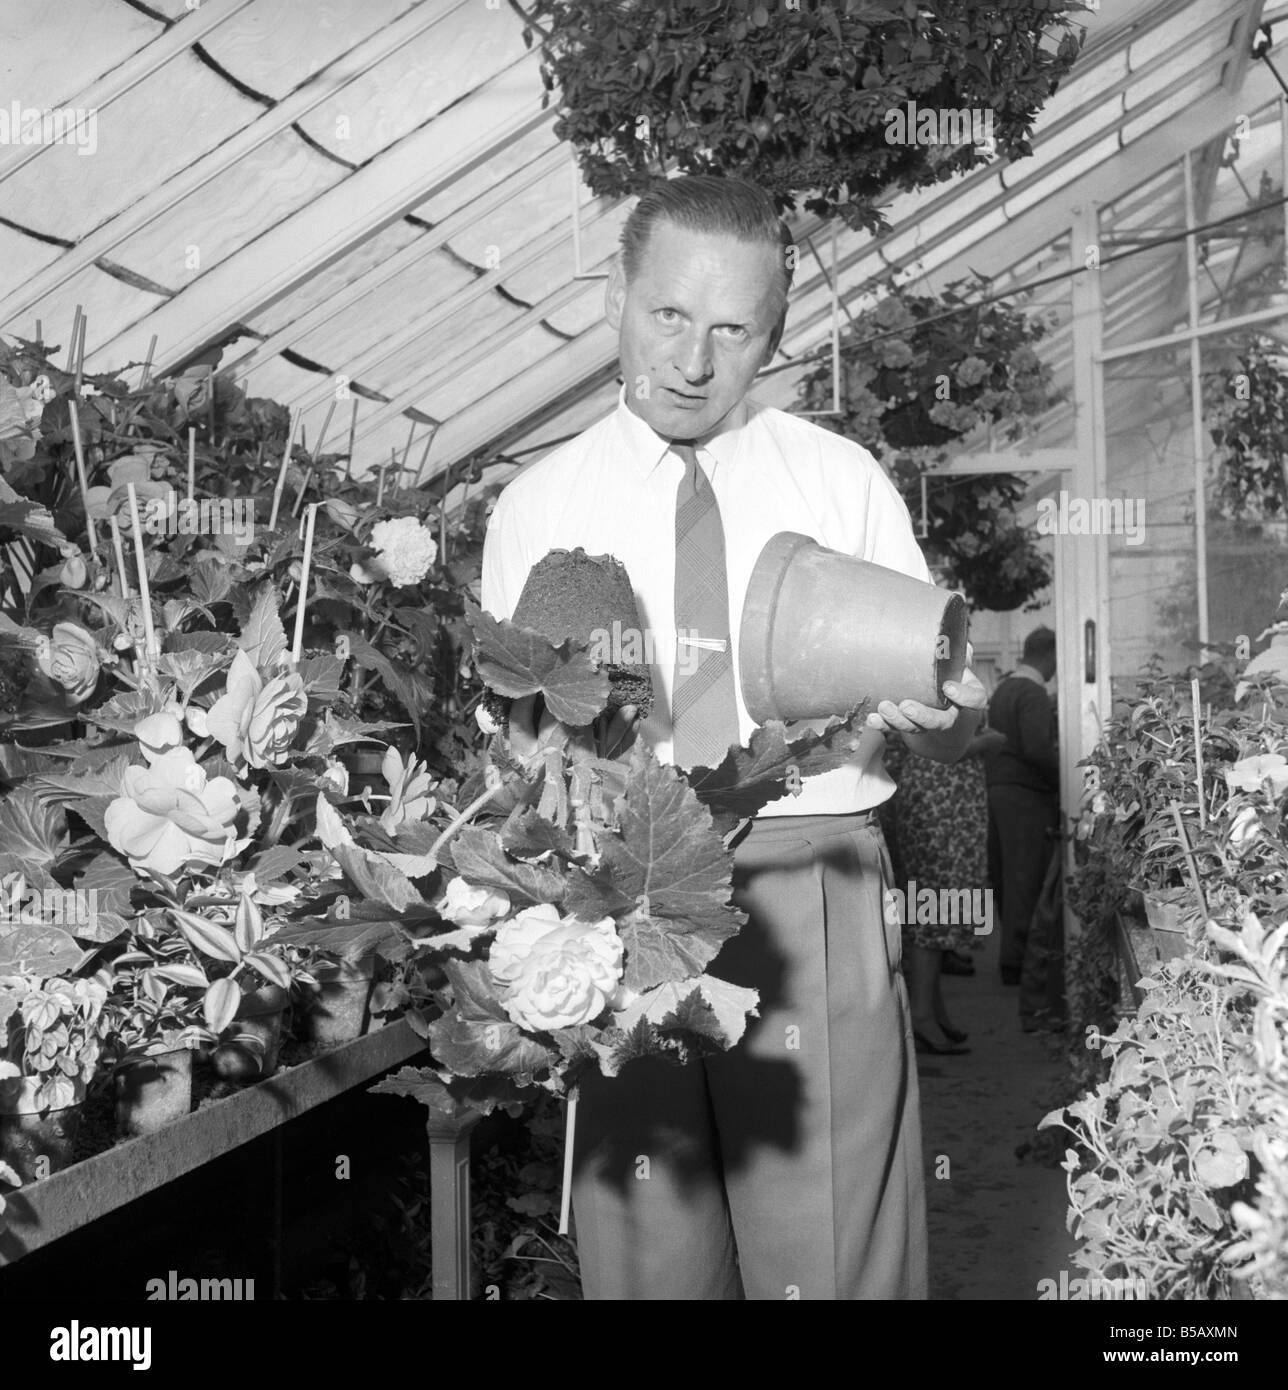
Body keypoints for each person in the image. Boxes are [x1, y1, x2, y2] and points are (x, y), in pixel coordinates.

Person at [481, 175, 986, 1300]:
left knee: (835, 1259)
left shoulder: (839, 481)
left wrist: (944, 709)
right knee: (649, 1257)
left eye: (731, 329)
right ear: (615, 292)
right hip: (624, 902)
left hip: (811, 889)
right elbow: (514, 753)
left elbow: (956, 712)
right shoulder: (535, 508)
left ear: (775, 332)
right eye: (668, 315)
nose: (693, 362)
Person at [882, 720, 1005, 1055]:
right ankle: (921, 1015)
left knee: (935, 907)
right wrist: (985, 742)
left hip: (945, 801)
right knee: (933, 909)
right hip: (939, 804)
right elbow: (923, 742)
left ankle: (931, 1011)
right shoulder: (921, 688)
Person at [984, 626, 1061, 1026]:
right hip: (1025, 793)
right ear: (1048, 655)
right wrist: (1062, 780)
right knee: (1025, 877)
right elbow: (1037, 748)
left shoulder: (1003, 688)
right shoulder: (1031, 693)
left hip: (999, 788)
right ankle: (1017, 960)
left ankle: (1010, 957)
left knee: (1007, 874)